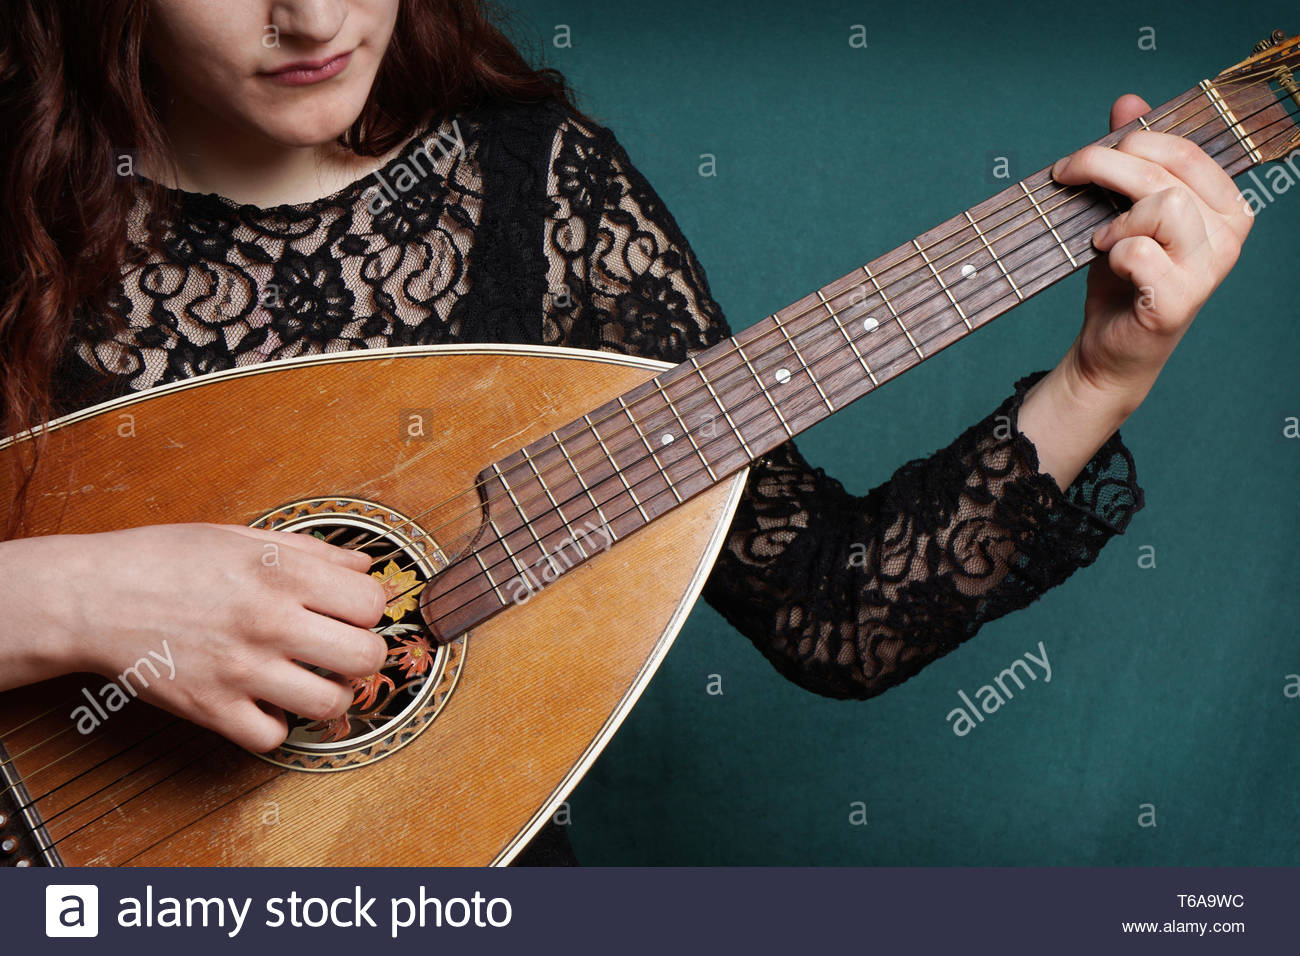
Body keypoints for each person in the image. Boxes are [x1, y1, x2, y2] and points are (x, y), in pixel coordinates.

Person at [0, 0, 1253, 866]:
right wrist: (78, 597)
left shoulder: (537, 189)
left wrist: (1102, 369)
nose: (318, 20)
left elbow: (834, 612)